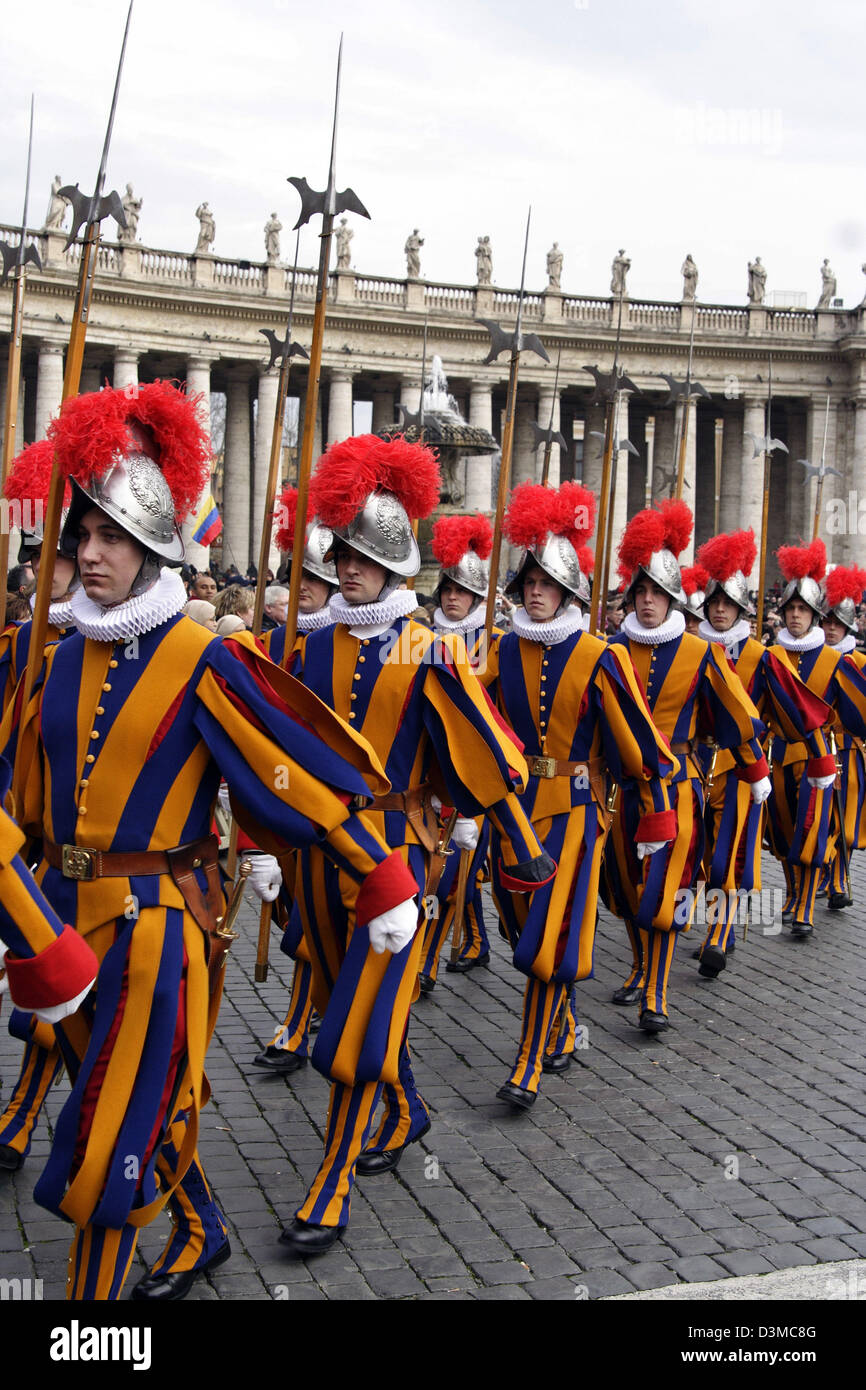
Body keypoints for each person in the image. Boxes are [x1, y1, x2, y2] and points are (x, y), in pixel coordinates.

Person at [1, 383, 420, 1301]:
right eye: (83, 535)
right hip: (64, 928)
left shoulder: (205, 656)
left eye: (113, 537)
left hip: (160, 933)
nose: (91, 553)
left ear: (154, 551)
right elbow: (17, 804)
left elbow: (289, 768)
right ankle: (201, 1227)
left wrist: (379, 871)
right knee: (133, 1106)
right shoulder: (51, 657)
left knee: (110, 1136)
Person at [277, 433, 553, 1256]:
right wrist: (261, 840)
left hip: (399, 853)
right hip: (321, 851)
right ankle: (405, 1108)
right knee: (340, 1000)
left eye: (363, 556)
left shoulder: (425, 647)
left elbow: (487, 753)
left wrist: (513, 837)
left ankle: (330, 1180)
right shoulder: (312, 642)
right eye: (339, 553)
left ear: (396, 565)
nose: (347, 568)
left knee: (357, 1021)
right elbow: (279, 750)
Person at [484, 483, 677, 1102]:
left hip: (573, 811)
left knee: (547, 935)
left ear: (567, 590)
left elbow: (639, 746)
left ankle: (528, 1061)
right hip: (513, 811)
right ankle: (563, 1024)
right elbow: (473, 726)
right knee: (519, 928)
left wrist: (655, 816)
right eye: (527, 582)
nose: (534, 591)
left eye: (545, 582)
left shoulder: (600, 656)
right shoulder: (500, 649)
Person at [604, 501, 769, 1033]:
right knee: (627, 889)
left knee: (665, 888)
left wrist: (755, 768)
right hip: (621, 790)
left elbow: (736, 720)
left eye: (657, 592)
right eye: (640, 591)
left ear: (672, 597)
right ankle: (638, 965)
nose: (647, 601)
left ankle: (657, 989)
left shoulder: (701, 654)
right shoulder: (608, 649)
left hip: (676, 790)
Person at [693, 529, 832, 977]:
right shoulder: (690, 650)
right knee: (700, 853)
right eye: (713, 602)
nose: (718, 609)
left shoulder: (761, 656)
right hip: (694, 767)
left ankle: (717, 934)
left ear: (739, 609)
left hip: (742, 768)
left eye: (727, 604)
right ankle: (724, 926)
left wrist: (819, 757)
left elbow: (795, 709)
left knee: (727, 856)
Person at [252, 486, 339, 1075]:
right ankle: (308, 1016)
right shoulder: (273, 644)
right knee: (299, 915)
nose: (300, 585)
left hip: (351, 810)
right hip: (288, 805)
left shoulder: (377, 645)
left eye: (314, 577)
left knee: (319, 922)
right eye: (294, 575)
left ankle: (304, 1022)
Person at [764, 541, 866, 936]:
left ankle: (806, 905)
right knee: (783, 832)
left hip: (820, 758)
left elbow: (857, 708)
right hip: (778, 755)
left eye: (802, 610)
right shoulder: (770, 656)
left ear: (815, 616)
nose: (794, 616)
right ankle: (793, 893)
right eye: (789, 609)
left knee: (814, 828)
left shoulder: (835, 661)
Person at [417, 514, 497, 992]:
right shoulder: (417, 641)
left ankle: (429, 962)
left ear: (476, 597)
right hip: (430, 774)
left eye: (461, 590)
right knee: (439, 869)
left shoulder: (495, 645)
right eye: (446, 587)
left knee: (457, 870)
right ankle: (475, 941)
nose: (451, 596)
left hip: (477, 775)